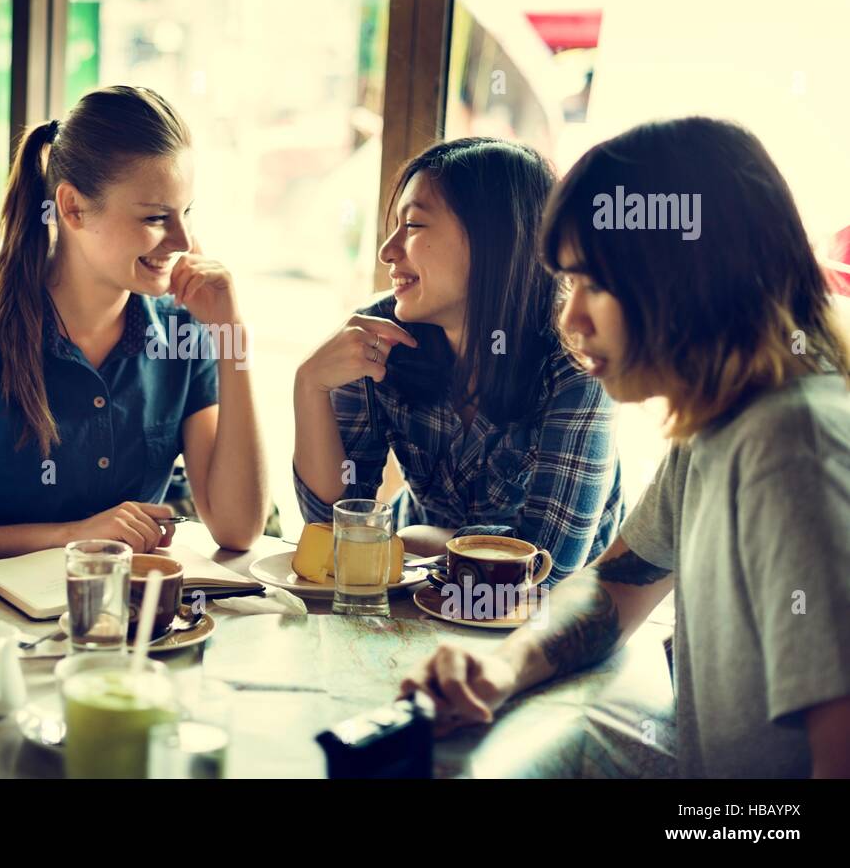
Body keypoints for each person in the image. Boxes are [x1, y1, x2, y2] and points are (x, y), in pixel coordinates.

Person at [400, 117, 850, 778]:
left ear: (689, 273)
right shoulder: (720, 421)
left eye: (594, 283)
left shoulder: (789, 446)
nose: (569, 318)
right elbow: (618, 583)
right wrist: (500, 667)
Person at [0, 86, 268, 556]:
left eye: (186, 213)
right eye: (155, 217)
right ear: (72, 208)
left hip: (128, 622)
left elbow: (238, 529)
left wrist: (233, 339)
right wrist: (70, 538)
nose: (184, 240)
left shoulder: (183, 333)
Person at [294, 138, 622, 584]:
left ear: (493, 239)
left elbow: (547, 569)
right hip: (425, 605)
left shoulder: (575, 356)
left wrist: (415, 539)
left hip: (555, 630)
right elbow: (332, 536)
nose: (387, 251)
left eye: (412, 225)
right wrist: (309, 385)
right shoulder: (377, 336)